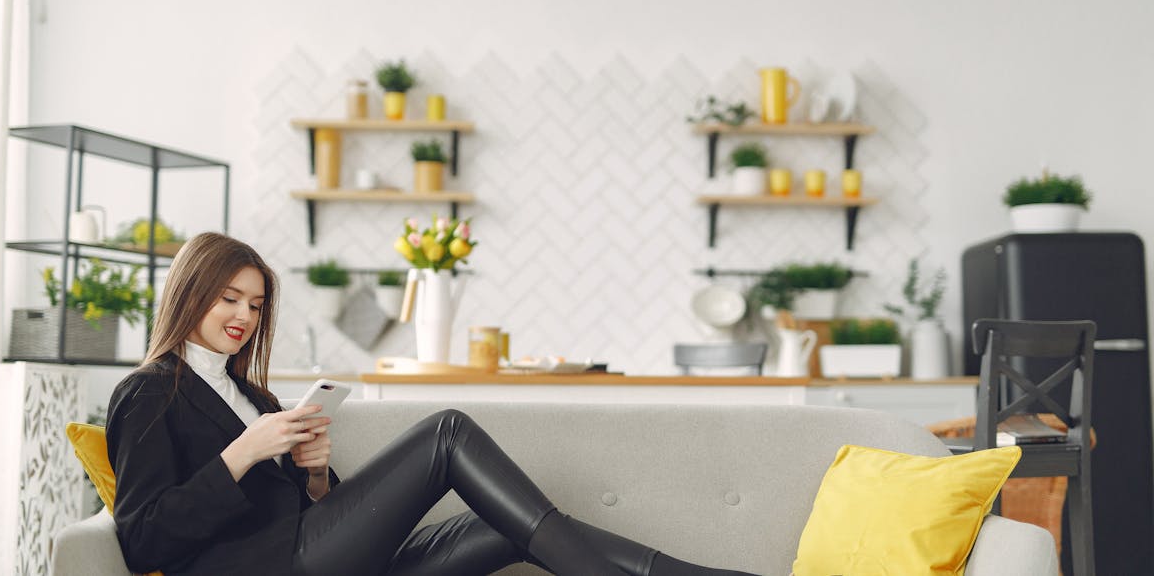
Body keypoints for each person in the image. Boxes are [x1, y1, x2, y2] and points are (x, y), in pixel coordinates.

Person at [107, 232, 759, 576]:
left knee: (499, 525)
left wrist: (311, 473)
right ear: (190, 291)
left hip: (321, 555)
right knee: (446, 431)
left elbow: (299, 506)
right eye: (229, 298)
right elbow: (142, 539)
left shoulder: (250, 391)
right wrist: (244, 453)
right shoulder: (147, 392)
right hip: (275, 568)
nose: (244, 315)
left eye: (254, 304)